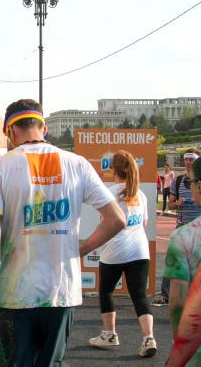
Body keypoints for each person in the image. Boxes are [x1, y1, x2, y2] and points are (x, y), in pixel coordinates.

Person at [0, 99, 125, 366]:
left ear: (10, 132)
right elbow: (117, 220)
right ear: (43, 128)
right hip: (61, 293)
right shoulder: (77, 164)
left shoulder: (1, 167)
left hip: (16, 294)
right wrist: (78, 250)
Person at [87, 150, 157, 357]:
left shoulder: (110, 193)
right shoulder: (140, 194)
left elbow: (105, 223)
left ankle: (109, 334)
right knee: (139, 295)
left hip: (114, 252)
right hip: (139, 251)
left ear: (113, 169)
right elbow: (143, 223)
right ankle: (149, 338)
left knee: (107, 291)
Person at [162, 156, 201, 365]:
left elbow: (177, 303)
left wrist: (181, 350)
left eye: (191, 182)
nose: (189, 187)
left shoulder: (184, 237)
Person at [154, 149, 201, 306]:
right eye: (186, 159)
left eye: (191, 159)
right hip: (181, 227)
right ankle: (165, 294)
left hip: (198, 228)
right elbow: (171, 204)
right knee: (172, 261)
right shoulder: (179, 180)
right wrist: (178, 204)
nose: (188, 162)